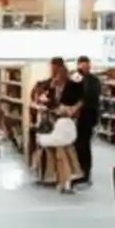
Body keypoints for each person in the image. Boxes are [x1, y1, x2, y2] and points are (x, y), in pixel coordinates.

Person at [33, 57, 84, 193]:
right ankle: (60, 179)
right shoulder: (51, 83)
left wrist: (71, 110)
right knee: (58, 152)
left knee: (62, 151)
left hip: (64, 121)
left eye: (55, 67)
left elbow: (79, 100)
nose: (53, 70)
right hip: (56, 120)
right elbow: (48, 100)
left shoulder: (71, 82)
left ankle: (65, 180)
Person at [73, 55, 102, 187]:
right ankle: (78, 171)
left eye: (86, 65)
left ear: (89, 66)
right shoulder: (75, 78)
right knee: (77, 146)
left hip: (87, 117)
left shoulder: (94, 81)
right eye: (81, 65)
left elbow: (90, 97)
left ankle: (85, 173)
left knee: (84, 145)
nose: (83, 68)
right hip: (76, 117)